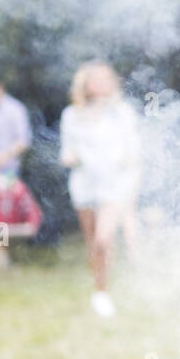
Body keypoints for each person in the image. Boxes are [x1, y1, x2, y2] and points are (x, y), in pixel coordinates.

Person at [59, 61, 142, 318]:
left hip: (114, 186)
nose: (103, 83)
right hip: (84, 187)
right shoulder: (72, 115)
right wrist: (73, 157)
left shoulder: (124, 113)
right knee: (93, 243)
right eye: (97, 79)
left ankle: (102, 293)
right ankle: (101, 286)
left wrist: (131, 186)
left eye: (107, 78)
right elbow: (66, 153)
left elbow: (134, 152)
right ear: (85, 84)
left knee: (103, 239)